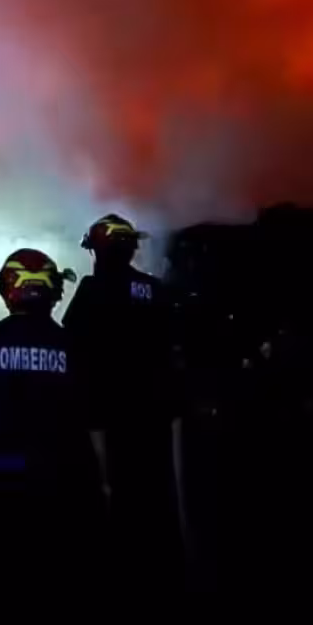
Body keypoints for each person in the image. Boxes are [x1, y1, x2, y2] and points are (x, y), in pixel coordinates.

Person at [0, 248, 108, 569]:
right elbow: (94, 422)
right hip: (59, 482)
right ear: (54, 292)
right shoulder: (73, 348)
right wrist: (103, 478)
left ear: (7, 291)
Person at [62, 213, 182, 588]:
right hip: (154, 416)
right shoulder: (155, 290)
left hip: (104, 418)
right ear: (131, 249)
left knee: (110, 501)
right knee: (159, 501)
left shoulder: (91, 291)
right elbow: (173, 349)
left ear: (96, 251)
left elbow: (70, 348)